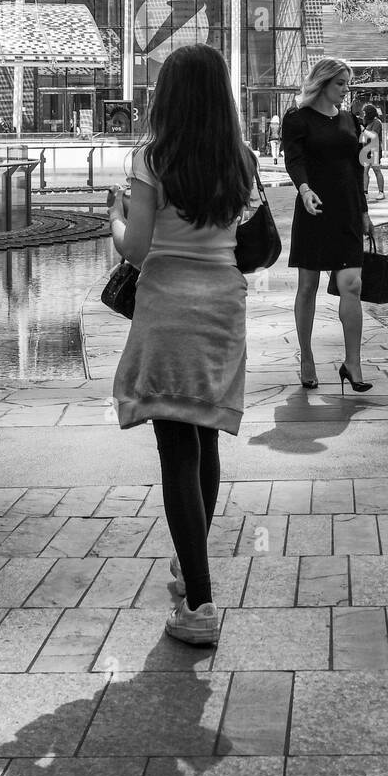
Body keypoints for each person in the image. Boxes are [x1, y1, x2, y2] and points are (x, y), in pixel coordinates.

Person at [109, 43, 258, 647]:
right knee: (204, 437)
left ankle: (198, 605)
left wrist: (114, 218)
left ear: (167, 95)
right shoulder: (242, 158)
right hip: (223, 307)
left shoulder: (151, 158)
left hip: (169, 307)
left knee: (177, 453)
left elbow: (137, 247)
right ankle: (188, 570)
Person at [282, 58, 375, 394]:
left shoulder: (352, 120)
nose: (346, 90)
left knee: (352, 284)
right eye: (341, 84)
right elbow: (294, 159)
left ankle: (353, 363)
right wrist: (304, 190)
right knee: (308, 286)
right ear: (323, 83)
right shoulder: (298, 119)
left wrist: (364, 212)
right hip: (314, 209)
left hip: (348, 209)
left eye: (348, 84)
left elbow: (357, 168)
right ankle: (306, 357)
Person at [360, 102, 385, 201]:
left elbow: (373, 135)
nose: (364, 114)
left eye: (365, 112)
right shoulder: (367, 122)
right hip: (366, 150)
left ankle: (381, 192)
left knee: (376, 169)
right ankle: (365, 192)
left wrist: (363, 130)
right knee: (364, 171)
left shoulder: (377, 122)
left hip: (374, 150)